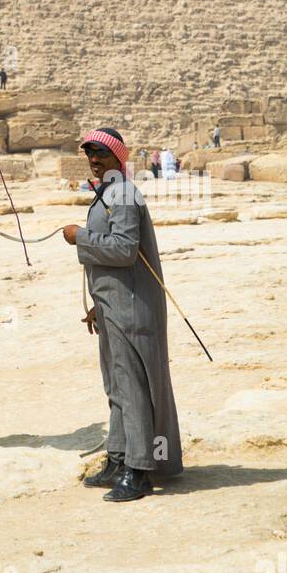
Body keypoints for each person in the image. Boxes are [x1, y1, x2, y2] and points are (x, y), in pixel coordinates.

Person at [62, 127, 182, 502]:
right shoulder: (108, 193)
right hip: (113, 304)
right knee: (116, 385)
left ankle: (140, 470)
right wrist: (98, 305)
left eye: (101, 153)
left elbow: (125, 250)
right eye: (89, 153)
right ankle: (118, 457)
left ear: (119, 157)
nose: (94, 159)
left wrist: (78, 236)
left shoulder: (124, 194)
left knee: (132, 387)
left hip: (132, 308)